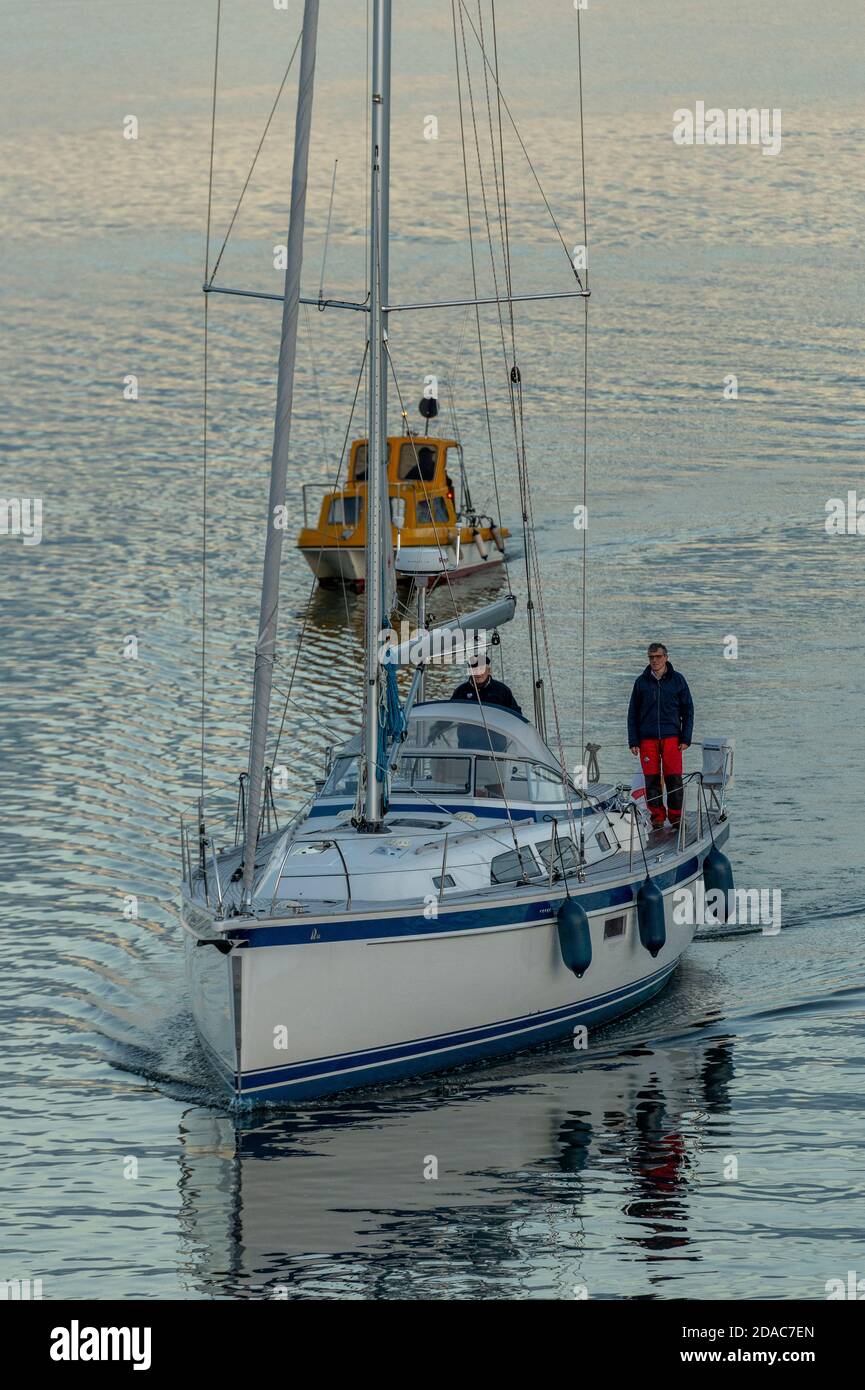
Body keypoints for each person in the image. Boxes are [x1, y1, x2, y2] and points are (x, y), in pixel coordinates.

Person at [627, 642, 694, 829]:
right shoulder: (641, 682)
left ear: (666, 657)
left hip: (672, 736)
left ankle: (676, 817)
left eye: (658, 656)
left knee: (674, 778)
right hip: (646, 738)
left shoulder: (678, 680)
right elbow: (632, 713)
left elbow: (688, 710)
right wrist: (633, 740)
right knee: (652, 780)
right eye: (651, 657)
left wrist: (686, 737)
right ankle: (657, 817)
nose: (654, 660)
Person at [452, 652, 522, 713]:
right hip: (467, 728)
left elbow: (516, 714)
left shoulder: (502, 691)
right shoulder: (460, 691)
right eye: (475, 670)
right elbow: (450, 712)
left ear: (488, 671)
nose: (478, 673)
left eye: (481, 669)